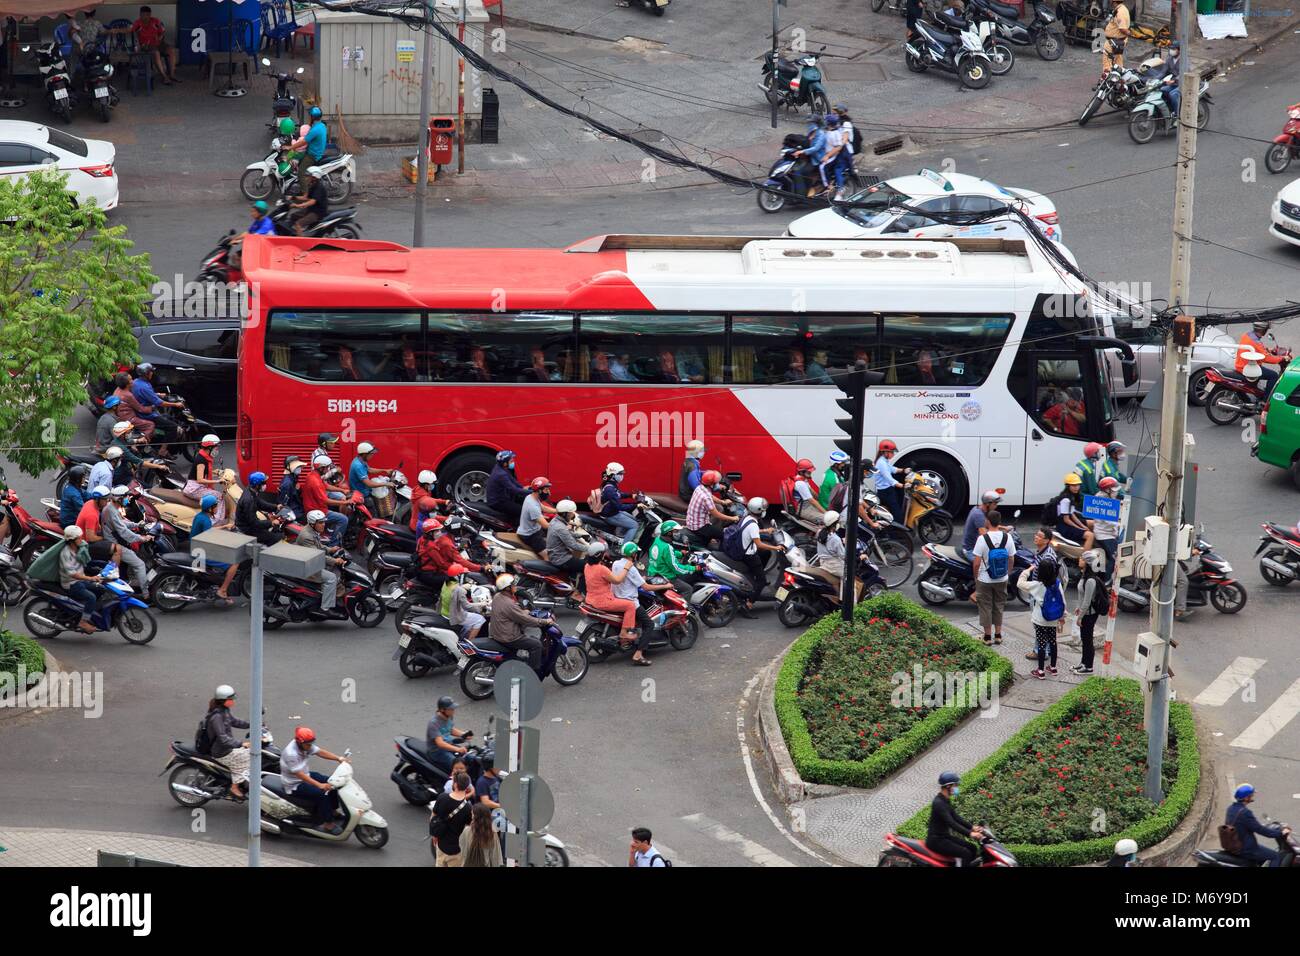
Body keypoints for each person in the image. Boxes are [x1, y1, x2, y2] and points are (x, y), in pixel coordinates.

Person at [279, 727, 348, 833]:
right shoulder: (291, 753)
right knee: (322, 794)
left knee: (333, 782)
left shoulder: (305, 745)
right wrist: (319, 785)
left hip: (306, 775)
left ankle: (333, 811)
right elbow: (300, 775)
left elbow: (320, 752)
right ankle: (328, 824)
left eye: (311, 743)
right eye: (308, 744)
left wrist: (338, 758)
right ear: (299, 742)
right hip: (294, 784)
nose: (310, 746)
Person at [613, 541, 669, 666]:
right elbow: (647, 588)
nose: (637, 555)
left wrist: (640, 578)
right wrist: (665, 585)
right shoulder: (631, 568)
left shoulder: (616, 563)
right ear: (632, 554)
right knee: (649, 624)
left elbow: (626, 578)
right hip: (629, 601)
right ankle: (638, 655)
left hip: (617, 597)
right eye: (636, 553)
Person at [582, 541, 641, 654]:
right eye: (604, 553)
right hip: (603, 601)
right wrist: (626, 568)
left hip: (590, 599)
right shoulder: (601, 569)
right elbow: (618, 580)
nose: (605, 554)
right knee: (630, 605)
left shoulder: (587, 566)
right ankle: (624, 633)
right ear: (600, 555)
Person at [490, 573, 554, 674]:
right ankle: (532, 674)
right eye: (513, 585)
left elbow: (512, 613)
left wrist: (522, 612)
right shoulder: (508, 603)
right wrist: (543, 621)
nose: (515, 586)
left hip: (498, 633)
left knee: (531, 638)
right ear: (507, 588)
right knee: (536, 644)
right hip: (509, 637)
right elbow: (525, 619)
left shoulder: (497, 596)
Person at [416, 520, 482, 607]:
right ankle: (448, 604)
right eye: (437, 531)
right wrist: (458, 568)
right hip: (429, 574)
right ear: (430, 533)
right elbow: (442, 564)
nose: (439, 532)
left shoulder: (422, 539)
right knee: (455, 583)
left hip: (423, 570)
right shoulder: (431, 547)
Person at [1224, 784, 1293, 867]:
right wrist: (1281, 832)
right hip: (1246, 849)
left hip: (1237, 845)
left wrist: (1261, 826)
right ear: (1246, 798)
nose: (1253, 796)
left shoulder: (1230, 809)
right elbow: (1262, 831)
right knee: (1275, 856)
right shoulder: (1244, 813)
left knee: (1264, 855)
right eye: (1251, 795)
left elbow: (1245, 825)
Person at [101, 485, 152, 595]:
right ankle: (146, 593)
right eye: (126, 497)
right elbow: (123, 532)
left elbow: (121, 523)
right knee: (140, 564)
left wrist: (136, 524)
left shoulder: (111, 508)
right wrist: (141, 538)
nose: (127, 499)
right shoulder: (112, 511)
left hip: (115, 539)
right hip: (114, 543)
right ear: (119, 498)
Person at [295, 510, 347, 617]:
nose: (323, 525)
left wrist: (330, 549)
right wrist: (334, 561)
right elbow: (317, 555)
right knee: (331, 578)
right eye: (320, 522)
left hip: (308, 561)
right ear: (313, 523)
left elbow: (318, 545)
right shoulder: (307, 536)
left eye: (323, 522)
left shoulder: (311, 531)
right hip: (306, 567)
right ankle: (325, 608)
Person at [738, 496, 786, 613]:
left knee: (766, 554)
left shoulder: (747, 518)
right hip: (749, 555)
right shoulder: (754, 524)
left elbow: (750, 531)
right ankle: (749, 603)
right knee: (761, 581)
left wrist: (765, 531)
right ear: (759, 511)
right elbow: (759, 544)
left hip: (742, 549)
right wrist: (776, 547)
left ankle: (756, 575)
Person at [971, 509, 1012, 647]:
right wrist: (1008, 572)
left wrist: (976, 577)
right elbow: (1012, 558)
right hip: (1002, 578)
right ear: (999, 522)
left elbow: (976, 562)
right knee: (999, 605)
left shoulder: (982, 539)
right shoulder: (1007, 537)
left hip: (985, 579)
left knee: (985, 606)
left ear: (987, 521)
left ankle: (987, 637)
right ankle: (998, 635)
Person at [1019, 557, 1064, 679]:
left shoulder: (1037, 585)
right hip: (1053, 619)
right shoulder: (1058, 584)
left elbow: (1020, 583)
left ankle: (1040, 671)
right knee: (1053, 642)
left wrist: (1027, 570)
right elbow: (1062, 602)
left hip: (1040, 619)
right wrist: (1061, 618)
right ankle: (1053, 668)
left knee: (1041, 644)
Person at [191, 494, 240, 604]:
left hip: (196, 548)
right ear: (210, 508)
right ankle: (222, 590)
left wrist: (223, 526)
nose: (217, 508)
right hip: (201, 553)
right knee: (234, 562)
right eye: (216, 506)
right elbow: (210, 537)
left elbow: (208, 531)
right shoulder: (206, 520)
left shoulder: (200, 516)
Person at [203, 685, 251, 799]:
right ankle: (234, 787)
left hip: (227, 748)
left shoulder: (224, 711)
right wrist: (241, 744)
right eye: (231, 699)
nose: (233, 701)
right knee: (249, 758)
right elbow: (223, 739)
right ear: (223, 700)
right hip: (222, 752)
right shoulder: (217, 717)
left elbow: (235, 722)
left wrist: (252, 724)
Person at [926, 771, 983, 866]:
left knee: (972, 848)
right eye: (955, 785)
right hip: (936, 840)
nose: (957, 788)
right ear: (948, 786)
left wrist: (972, 827)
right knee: (966, 853)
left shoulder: (945, 800)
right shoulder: (939, 803)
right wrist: (970, 834)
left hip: (944, 837)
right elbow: (951, 823)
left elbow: (956, 817)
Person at [58, 526, 104, 634]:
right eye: (79, 538)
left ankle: (88, 611)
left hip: (81, 580)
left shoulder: (79, 548)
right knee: (91, 597)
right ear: (72, 541)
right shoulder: (65, 553)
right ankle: (83, 622)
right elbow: (73, 574)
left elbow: (87, 560)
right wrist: (91, 578)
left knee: (101, 589)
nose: (81, 539)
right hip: (71, 583)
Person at [130, 363, 183, 457]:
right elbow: (160, 403)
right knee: (172, 427)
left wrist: (158, 394)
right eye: (151, 372)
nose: (152, 373)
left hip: (143, 411)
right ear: (146, 374)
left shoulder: (137, 382)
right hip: (147, 415)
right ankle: (163, 450)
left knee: (168, 417)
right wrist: (175, 404)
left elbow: (147, 394)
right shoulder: (144, 387)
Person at [1070, 549, 1109, 675]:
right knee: (1084, 639)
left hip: (1089, 614)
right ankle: (1083, 663)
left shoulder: (1091, 580)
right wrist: (1078, 607)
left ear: (1087, 563)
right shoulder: (1084, 576)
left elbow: (1087, 601)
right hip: (1085, 612)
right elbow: (1081, 597)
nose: (1079, 560)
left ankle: (1088, 667)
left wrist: (1080, 617)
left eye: (1082, 558)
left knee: (1087, 640)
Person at [117, 7, 179, 84]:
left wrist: (160, 37)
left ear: (149, 15)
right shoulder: (137, 23)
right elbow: (129, 30)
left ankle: (172, 74)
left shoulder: (156, 21)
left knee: (171, 50)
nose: (143, 17)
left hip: (159, 43)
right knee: (156, 53)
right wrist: (115, 30)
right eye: (142, 15)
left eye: (146, 15)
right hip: (146, 45)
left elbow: (162, 32)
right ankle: (164, 77)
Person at [301, 455, 350, 547]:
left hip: (317, 507)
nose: (328, 470)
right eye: (327, 467)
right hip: (317, 510)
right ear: (321, 467)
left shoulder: (314, 475)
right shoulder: (315, 481)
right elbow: (325, 500)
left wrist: (342, 490)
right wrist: (345, 502)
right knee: (343, 519)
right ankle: (334, 545)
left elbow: (326, 486)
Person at [431, 771, 476, 867]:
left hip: (441, 844)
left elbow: (433, 817)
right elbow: (468, 829)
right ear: (467, 787)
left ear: (455, 784)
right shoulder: (468, 808)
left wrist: (435, 834)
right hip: (457, 849)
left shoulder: (442, 797)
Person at [685, 469, 737, 546]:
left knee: (714, 530)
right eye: (717, 483)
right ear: (712, 484)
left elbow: (711, 496)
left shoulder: (700, 488)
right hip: (699, 527)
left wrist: (722, 502)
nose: (718, 485)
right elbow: (717, 515)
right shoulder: (706, 498)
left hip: (691, 522)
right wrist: (733, 518)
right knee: (724, 534)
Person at [1236, 320, 1287, 397]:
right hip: (1248, 368)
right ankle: (1266, 400)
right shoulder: (1255, 341)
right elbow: (1266, 358)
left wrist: (1268, 349)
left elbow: (1256, 349)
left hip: (1241, 364)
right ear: (1263, 330)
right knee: (1274, 376)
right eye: (1266, 329)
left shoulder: (1247, 335)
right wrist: (1282, 358)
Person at [646, 519, 697, 596]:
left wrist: (680, 554)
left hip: (652, 573)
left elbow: (664, 554)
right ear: (669, 533)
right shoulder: (667, 547)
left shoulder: (657, 540)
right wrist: (695, 568)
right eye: (676, 531)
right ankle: (683, 608)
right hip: (665, 577)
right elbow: (676, 568)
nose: (678, 534)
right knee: (688, 589)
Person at [1048, 474, 1095, 554]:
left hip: (1068, 522)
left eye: (1078, 485)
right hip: (1064, 526)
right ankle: (1084, 559)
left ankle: (1092, 546)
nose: (1076, 487)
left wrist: (1083, 526)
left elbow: (1072, 514)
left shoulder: (1071, 496)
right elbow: (1066, 519)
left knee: (1093, 523)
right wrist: (1080, 528)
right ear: (1068, 486)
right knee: (1090, 536)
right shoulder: (1066, 499)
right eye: (1073, 485)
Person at [425, 695, 473, 774]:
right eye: (451, 709)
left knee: (470, 758)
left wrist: (463, 734)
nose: (453, 710)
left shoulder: (449, 716)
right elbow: (440, 743)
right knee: (459, 768)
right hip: (438, 752)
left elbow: (450, 729)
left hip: (449, 745)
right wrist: (457, 749)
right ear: (442, 710)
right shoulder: (434, 723)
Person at [235, 472, 282, 546]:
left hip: (250, 525)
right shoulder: (248, 500)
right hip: (246, 529)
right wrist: (271, 522)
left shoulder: (251, 490)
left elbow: (260, 503)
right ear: (257, 485)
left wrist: (276, 507)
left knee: (274, 530)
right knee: (276, 538)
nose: (265, 485)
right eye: (263, 483)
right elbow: (254, 522)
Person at [544, 499, 587, 578]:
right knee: (588, 567)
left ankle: (573, 578)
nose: (572, 515)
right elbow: (573, 545)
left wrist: (579, 535)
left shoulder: (555, 520)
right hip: (562, 560)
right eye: (571, 513)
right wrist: (589, 548)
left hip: (556, 556)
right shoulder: (560, 527)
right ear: (565, 514)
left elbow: (566, 533)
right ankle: (581, 590)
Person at [598, 462, 639, 544]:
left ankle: (621, 534)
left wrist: (631, 495)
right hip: (610, 515)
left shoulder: (610, 484)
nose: (622, 476)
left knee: (635, 519)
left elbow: (618, 494)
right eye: (620, 474)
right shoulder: (609, 488)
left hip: (612, 511)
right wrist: (636, 505)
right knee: (634, 526)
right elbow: (619, 507)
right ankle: (625, 549)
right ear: (613, 475)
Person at [111, 372, 157, 442]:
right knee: (150, 425)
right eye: (131, 380)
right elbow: (141, 409)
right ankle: (141, 441)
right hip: (129, 419)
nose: (133, 381)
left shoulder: (118, 389)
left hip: (119, 416)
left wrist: (156, 395)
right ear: (127, 384)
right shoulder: (128, 395)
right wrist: (152, 407)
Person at [485, 449, 528, 524]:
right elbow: (514, 490)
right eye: (511, 461)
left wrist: (523, 488)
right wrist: (531, 492)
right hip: (498, 502)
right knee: (522, 510)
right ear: (505, 463)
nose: (513, 462)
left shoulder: (501, 468)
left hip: (503, 497)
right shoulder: (501, 474)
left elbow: (514, 482)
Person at [290, 106, 328, 188]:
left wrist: (290, 147)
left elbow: (303, 142)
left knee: (300, 172)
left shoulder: (315, 130)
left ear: (312, 117)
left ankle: (305, 194)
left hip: (313, 155)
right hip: (317, 151)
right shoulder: (322, 125)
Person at [1091, 476, 1122, 579]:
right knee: (1116, 557)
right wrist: (1120, 524)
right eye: (1114, 490)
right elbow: (1107, 520)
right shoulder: (1101, 500)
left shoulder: (1107, 498)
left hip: (1109, 532)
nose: (1116, 492)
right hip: (1104, 535)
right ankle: (1107, 582)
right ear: (1107, 490)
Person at [961, 489, 1003, 563]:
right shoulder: (979, 515)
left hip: (974, 546)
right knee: (988, 565)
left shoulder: (979, 509)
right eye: (995, 503)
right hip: (970, 550)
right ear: (988, 504)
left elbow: (989, 525)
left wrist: (1004, 528)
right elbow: (985, 537)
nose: (996, 506)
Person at [182, 433, 223, 508]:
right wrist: (218, 481)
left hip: (195, 487)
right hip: (194, 489)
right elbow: (200, 479)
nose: (217, 450)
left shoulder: (203, 456)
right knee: (219, 496)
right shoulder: (201, 460)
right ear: (210, 447)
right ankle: (217, 519)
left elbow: (203, 471)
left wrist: (215, 472)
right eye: (216, 448)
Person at [76, 485, 115, 563]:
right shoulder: (91, 515)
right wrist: (104, 537)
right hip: (85, 543)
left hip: (86, 536)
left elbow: (96, 525)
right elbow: (90, 538)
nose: (107, 502)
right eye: (105, 500)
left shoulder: (90, 503)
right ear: (98, 500)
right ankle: (110, 572)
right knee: (116, 549)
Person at [347, 441, 393, 506]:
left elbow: (369, 470)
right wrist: (386, 484)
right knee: (374, 513)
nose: (372, 456)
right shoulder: (358, 465)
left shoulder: (361, 460)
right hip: (362, 494)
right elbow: (369, 484)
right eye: (371, 454)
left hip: (365, 491)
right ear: (364, 454)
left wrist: (384, 470)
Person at [793, 114, 828, 198]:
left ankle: (806, 191)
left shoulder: (821, 134)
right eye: (808, 123)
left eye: (811, 123)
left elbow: (816, 148)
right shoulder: (811, 132)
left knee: (804, 172)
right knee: (794, 167)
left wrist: (802, 151)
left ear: (816, 123)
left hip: (817, 160)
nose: (809, 124)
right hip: (811, 157)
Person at [448, 571, 488, 642]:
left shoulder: (448, 584)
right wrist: (481, 604)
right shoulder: (460, 590)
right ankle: (469, 643)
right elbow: (467, 606)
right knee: (480, 619)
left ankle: (463, 638)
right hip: (455, 614)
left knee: (470, 622)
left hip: (449, 611)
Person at [461, 803, 504, 868]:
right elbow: (495, 857)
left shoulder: (466, 831)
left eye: (472, 814)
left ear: (475, 816)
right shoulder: (492, 833)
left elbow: (463, 853)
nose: (471, 816)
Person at [289, 166, 328, 235]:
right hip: (311, 209)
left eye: (307, 176)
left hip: (317, 213)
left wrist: (298, 205)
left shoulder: (319, 187)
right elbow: (305, 197)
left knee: (298, 224)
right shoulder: (311, 185)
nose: (305, 178)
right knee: (293, 216)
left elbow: (312, 201)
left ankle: (301, 243)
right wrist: (293, 198)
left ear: (314, 177)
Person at [872, 440, 906, 521]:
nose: (893, 454)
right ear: (885, 452)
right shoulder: (881, 463)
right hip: (885, 492)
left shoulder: (884, 460)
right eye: (892, 452)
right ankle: (899, 530)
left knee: (897, 507)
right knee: (896, 511)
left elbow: (892, 469)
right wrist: (903, 486)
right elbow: (890, 479)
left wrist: (904, 470)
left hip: (887, 491)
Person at [517, 477, 553, 554]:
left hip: (535, 529)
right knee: (548, 556)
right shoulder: (533, 507)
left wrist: (559, 511)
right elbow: (546, 525)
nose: (549, 493)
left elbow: (543, 508)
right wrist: (563, 526)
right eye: (546, 490)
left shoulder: (531, 497)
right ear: (539, 491)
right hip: (531, 535)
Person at [831, 104, 856, 200]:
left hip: (845, 151)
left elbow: (844, 140)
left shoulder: (846, 124)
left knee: (838, 169)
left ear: (840, 114)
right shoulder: (838, 123)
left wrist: (836, 149)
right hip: (838, 149)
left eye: (834, 113)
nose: (833, 115)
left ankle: (840, 190)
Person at [1101, 0, 1130, 75]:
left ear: (1114, 1)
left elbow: (1123, 28)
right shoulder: (1121, 9)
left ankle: (1107, 81)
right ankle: (1118, 80)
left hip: (1114, 41)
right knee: (1118, 63)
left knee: (1107, 63)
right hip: (1117, 41)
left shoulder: (1121, 12)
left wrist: (1129, 33)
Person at [790, 458, 824, 522]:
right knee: (828, 519)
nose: (811, 472)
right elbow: (812, 501)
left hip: (807, 506)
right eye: (809, 471)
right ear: (802, 472)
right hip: (803, 509)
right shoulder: (800, 483)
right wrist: (826, 513)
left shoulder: (803, 479)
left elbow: (813, 492)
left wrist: (821, 500)